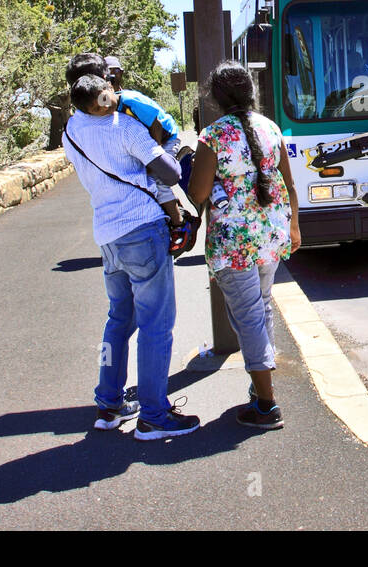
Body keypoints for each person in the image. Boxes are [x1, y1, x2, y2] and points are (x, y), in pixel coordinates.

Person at [63, 74, 199, 440]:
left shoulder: (71, 131)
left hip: (107, 235)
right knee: (157, 324)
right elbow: (169, 172)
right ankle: (154, 415)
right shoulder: (125, 127)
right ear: (105, 96)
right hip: (142, 229)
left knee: (119, 321)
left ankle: (108, 404)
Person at [188, 60, 301, 430]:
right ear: (251, 92)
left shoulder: (213, 136)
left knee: (248, 317)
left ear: (216, 98)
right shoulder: (270, 128)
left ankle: (267, 404)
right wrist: (294, 227)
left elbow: (199, 193)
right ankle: (259, 390)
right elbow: (288, 184)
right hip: (269, 236)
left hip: (233, 244)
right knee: (261, 308)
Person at [66, 52, 196, 253]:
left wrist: (155, 154)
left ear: (107, 85)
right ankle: (174, 213)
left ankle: (181, 224)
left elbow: (157, 125)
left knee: (159, 180)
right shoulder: (110, 114)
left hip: (166, 138)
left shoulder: (129, 102)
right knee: (152, 180)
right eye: (95, 109)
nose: (103, 109)